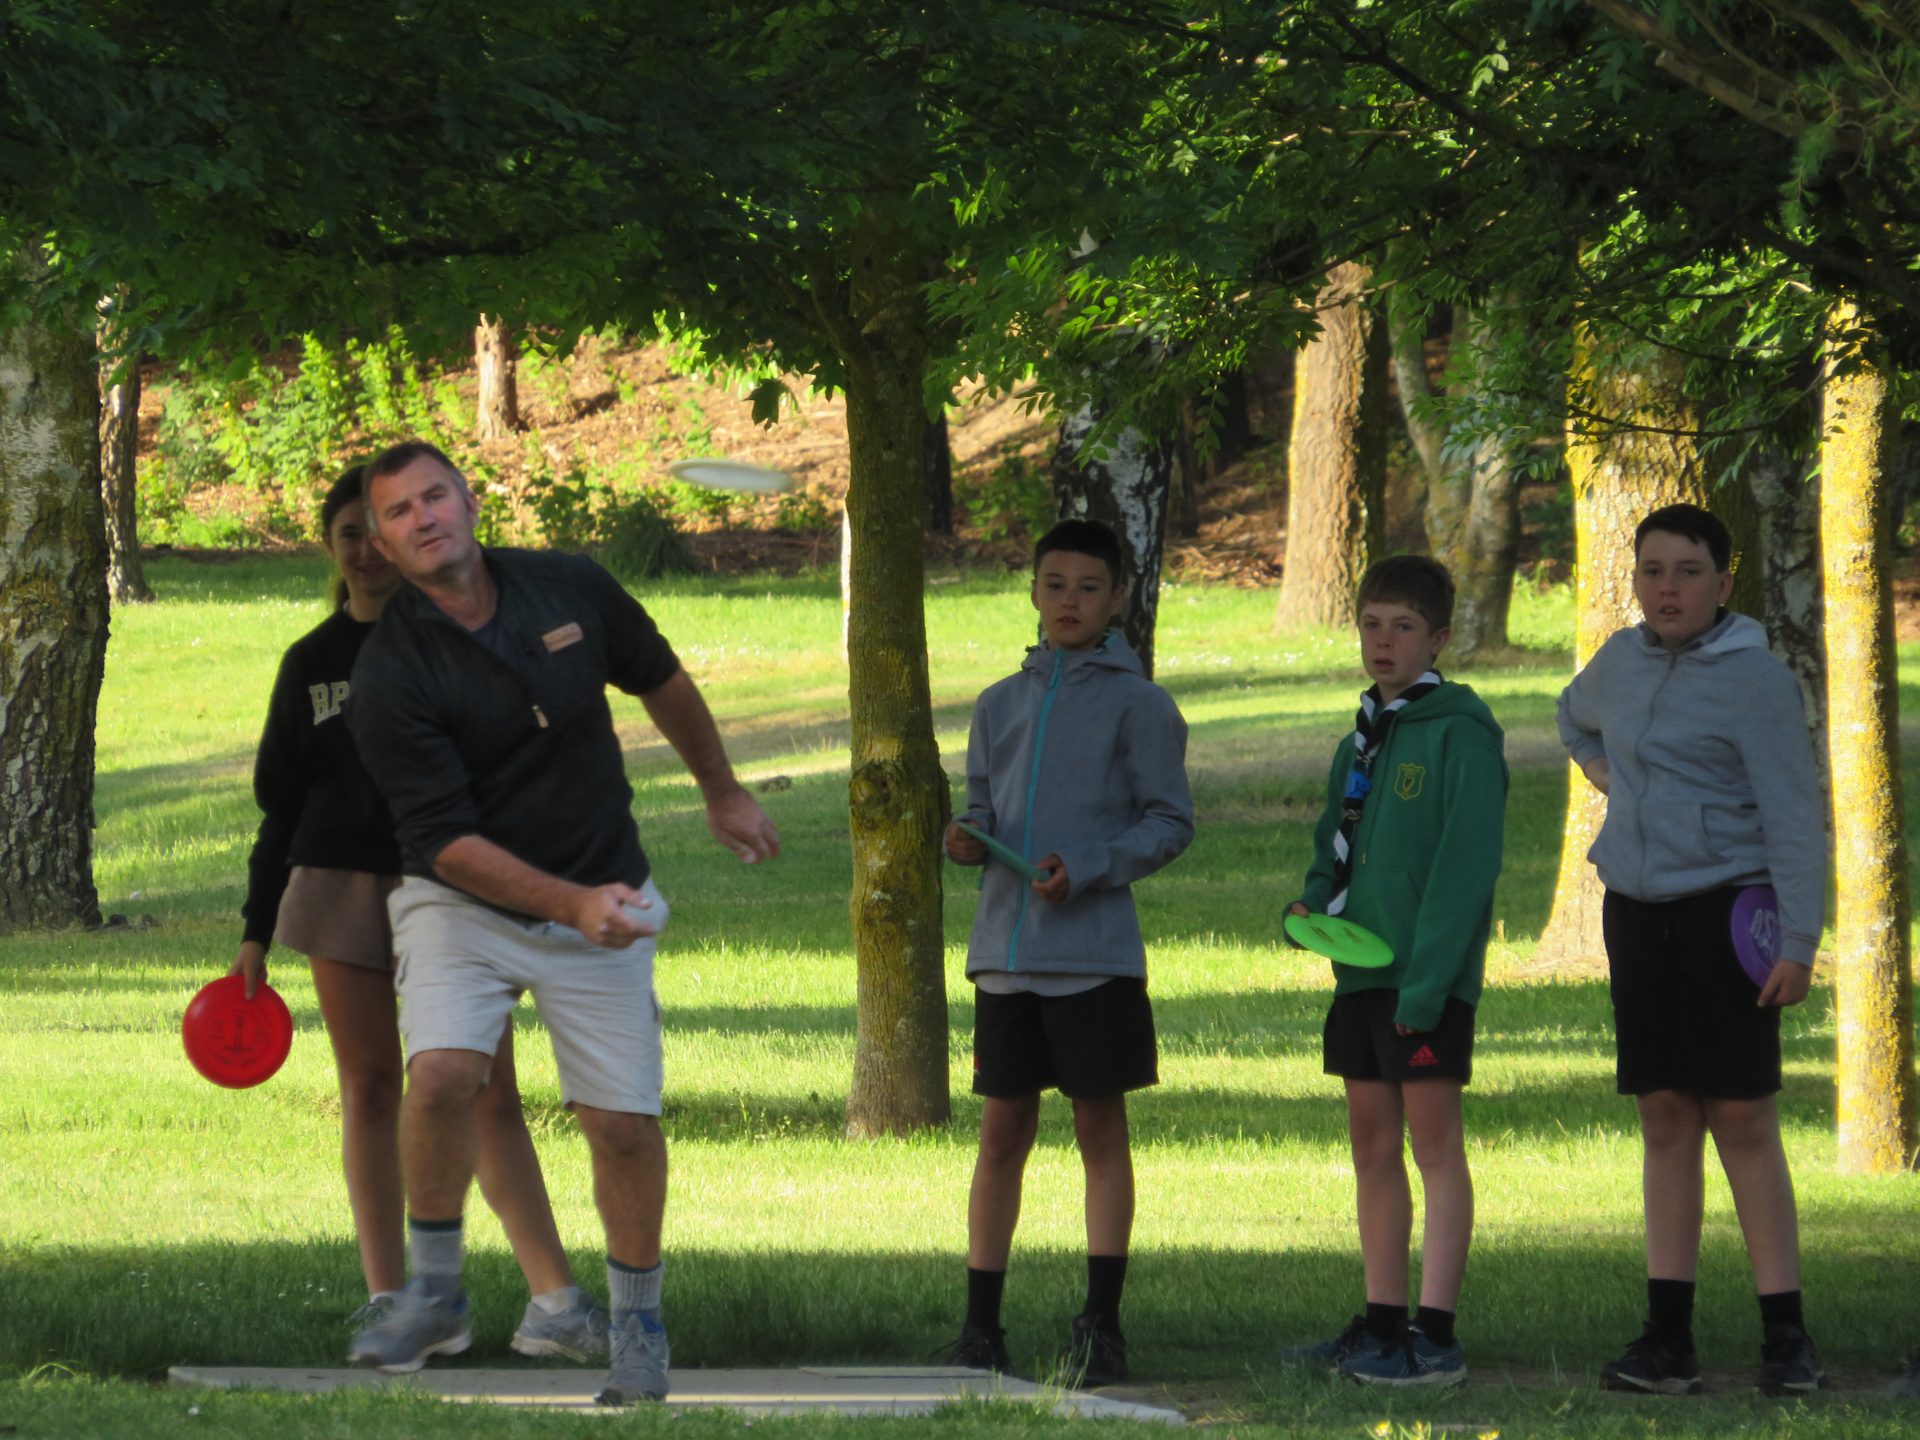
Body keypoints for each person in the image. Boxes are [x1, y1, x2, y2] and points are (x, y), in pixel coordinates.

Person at [341, 441, 779, 1404]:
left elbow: (661, 677)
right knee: (449, 1070)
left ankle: (637, 1328)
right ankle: (436, 1290)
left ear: (468, 500)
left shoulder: (569, 586)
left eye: (435, 496)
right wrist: (569, 907)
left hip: (603, 887)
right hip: (458, 903)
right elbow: (448, 845)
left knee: (621, 1127)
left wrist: (722, 793)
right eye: (400, 513)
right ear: (381, 543)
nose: (424, 518)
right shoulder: (390, 674)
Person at [231, 466, 604, 1360]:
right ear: (333, 549)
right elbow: (280, 805)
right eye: (349, 533)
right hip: (338, 887)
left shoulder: (463, 644)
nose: (367, 548)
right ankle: (393, 1299)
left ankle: (556, 1305)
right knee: (368, 1089)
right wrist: (255, 927)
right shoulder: (311, 664)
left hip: (450, 888)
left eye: (379, 530)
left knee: (481, 1090)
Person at [1557, 503, 1825, 1396]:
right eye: (1651, 571)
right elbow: (1572, 717)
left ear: (1722, 580)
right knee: (1665, 1117)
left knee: (1742, 1118)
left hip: (1726, 916)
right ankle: (1665, 1337)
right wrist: (1610, 778)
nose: (1666, 589)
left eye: (1686, 571)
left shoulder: (1757, 680)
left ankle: (1785, 1337)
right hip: (1636, 914)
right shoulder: (1619, 664)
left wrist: (1798, 939)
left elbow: (1794, 814)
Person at [939, 519, 1193, 1387]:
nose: (1070, 602)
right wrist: (970, 836)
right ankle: (981, 1327)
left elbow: (1168, 822)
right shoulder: (998, 703)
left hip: (1094, 959)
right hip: (1005, 958)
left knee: (1098, 1129)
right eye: (1055, 585)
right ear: (1034, 592)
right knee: (1001, 1130)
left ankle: (1102, 1324)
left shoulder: (1142, 705)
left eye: (1089, 587)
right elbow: (981, 804)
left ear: (1118, 598)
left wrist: (1087, 867)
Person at [1284, 554, 1506, 1388]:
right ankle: (1381, 1322)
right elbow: (1329, 846)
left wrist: (1428, 986)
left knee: (1434, 1149)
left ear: (1439, 638)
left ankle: (1435, 1331)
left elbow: (1463, 872)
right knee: (1371, 1146)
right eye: (1372, 625)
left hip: (1426, 984)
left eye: (1403, 627)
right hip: (1361, 981)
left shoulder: (1462, 735)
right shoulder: (1360, 737)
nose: (1384, 641)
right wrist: (1312, 908)